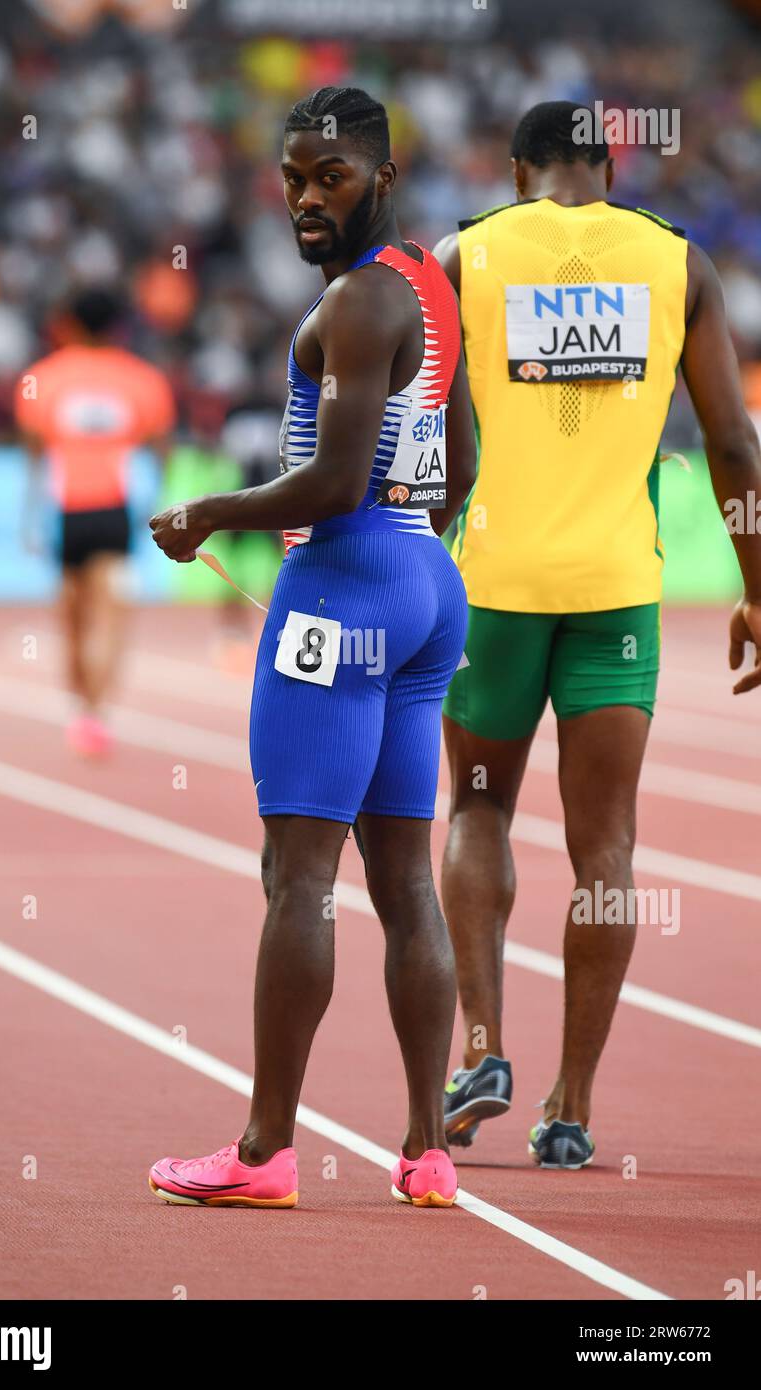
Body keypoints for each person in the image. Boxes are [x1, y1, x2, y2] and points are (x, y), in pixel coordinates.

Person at [147, 86, 476, 1208]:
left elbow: (334, 483)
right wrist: (413, 562)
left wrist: (206, 515)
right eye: (291, 176)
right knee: (405, 880)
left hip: (343, 584)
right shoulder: (434, 284)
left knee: (299, 877)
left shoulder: (355, 306)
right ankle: (428, 1150)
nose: (303, 198)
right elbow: (461, 460)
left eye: (329, 177)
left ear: (382, 177)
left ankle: (263, 1152)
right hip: (428, 587)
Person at [434, 101, 761, 1169]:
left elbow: (417, 434)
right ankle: (571, 1105)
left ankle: (479, 1044)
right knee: (607, 845)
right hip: (618, 593)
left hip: (494, 583)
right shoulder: (680, 263)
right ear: (609, 170)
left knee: (477, 811)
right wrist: (757, 587)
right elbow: (734, 441)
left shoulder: (464, 254)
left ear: (517, 168)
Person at [16, 288, 175, 756]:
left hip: (66, 511)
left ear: (68, 325)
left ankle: (80, 707)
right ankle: (96, 714)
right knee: (110, 616)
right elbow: (161, 451)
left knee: (72, 615)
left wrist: (28, 519)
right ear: (118, 329)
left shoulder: (42, 378)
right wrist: (157, 503)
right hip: (115, 510)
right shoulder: (144, 379)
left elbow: (33, 456)